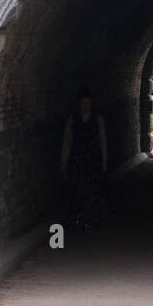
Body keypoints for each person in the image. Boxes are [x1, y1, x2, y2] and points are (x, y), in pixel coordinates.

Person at [59, 86, 108, 230]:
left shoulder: (97, 119)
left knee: (92, 190)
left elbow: (102, 140)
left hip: (93, 159)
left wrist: (104, 160)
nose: (85, 107)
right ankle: (80, 217)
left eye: (87, 103)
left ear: (91, 104)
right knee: (78, 189)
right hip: (77, 159)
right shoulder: (72, 120)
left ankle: (91, 217)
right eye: (82, 104)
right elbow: (67, 141)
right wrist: (63, 162)